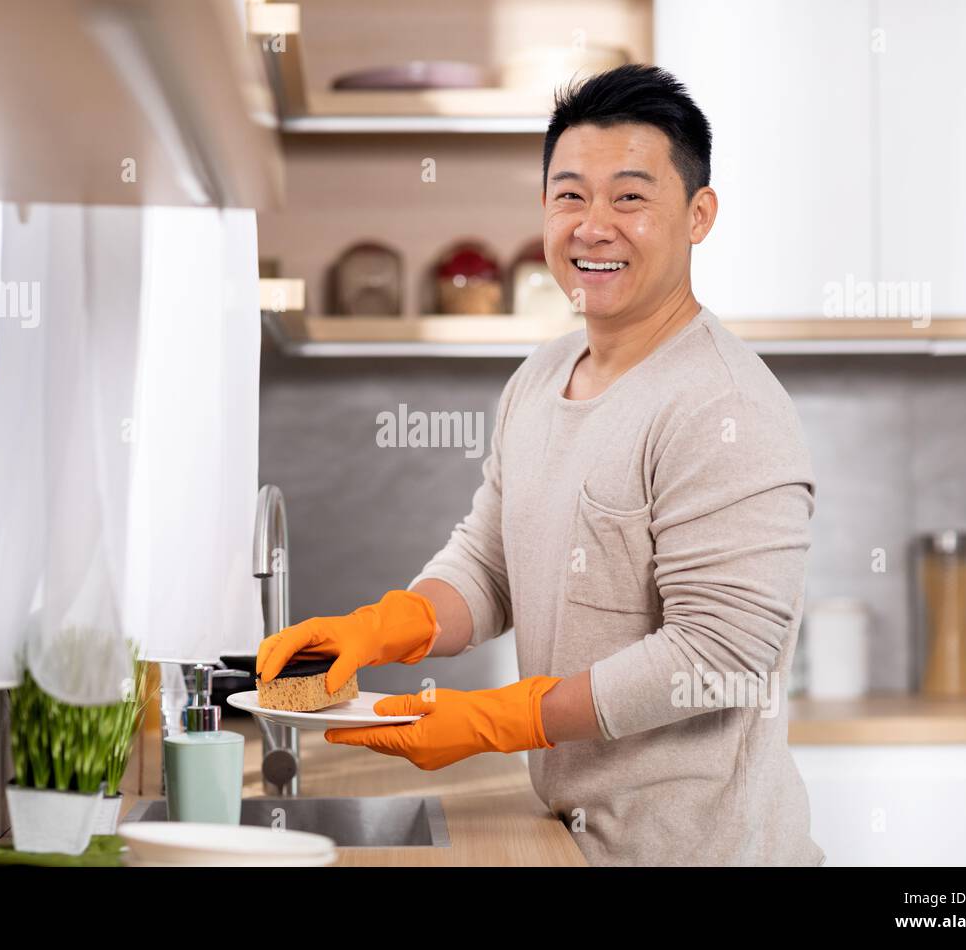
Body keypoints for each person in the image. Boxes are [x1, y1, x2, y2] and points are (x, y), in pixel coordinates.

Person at [256, 64, 823, 866]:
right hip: (581, 843)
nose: (593, 227)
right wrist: (383, 628)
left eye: (630, 198)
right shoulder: (540, 378)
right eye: (569, 196)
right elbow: (490, 565)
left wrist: (506, 718)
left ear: (699, 215)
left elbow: (719, 658)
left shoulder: (723, 406)